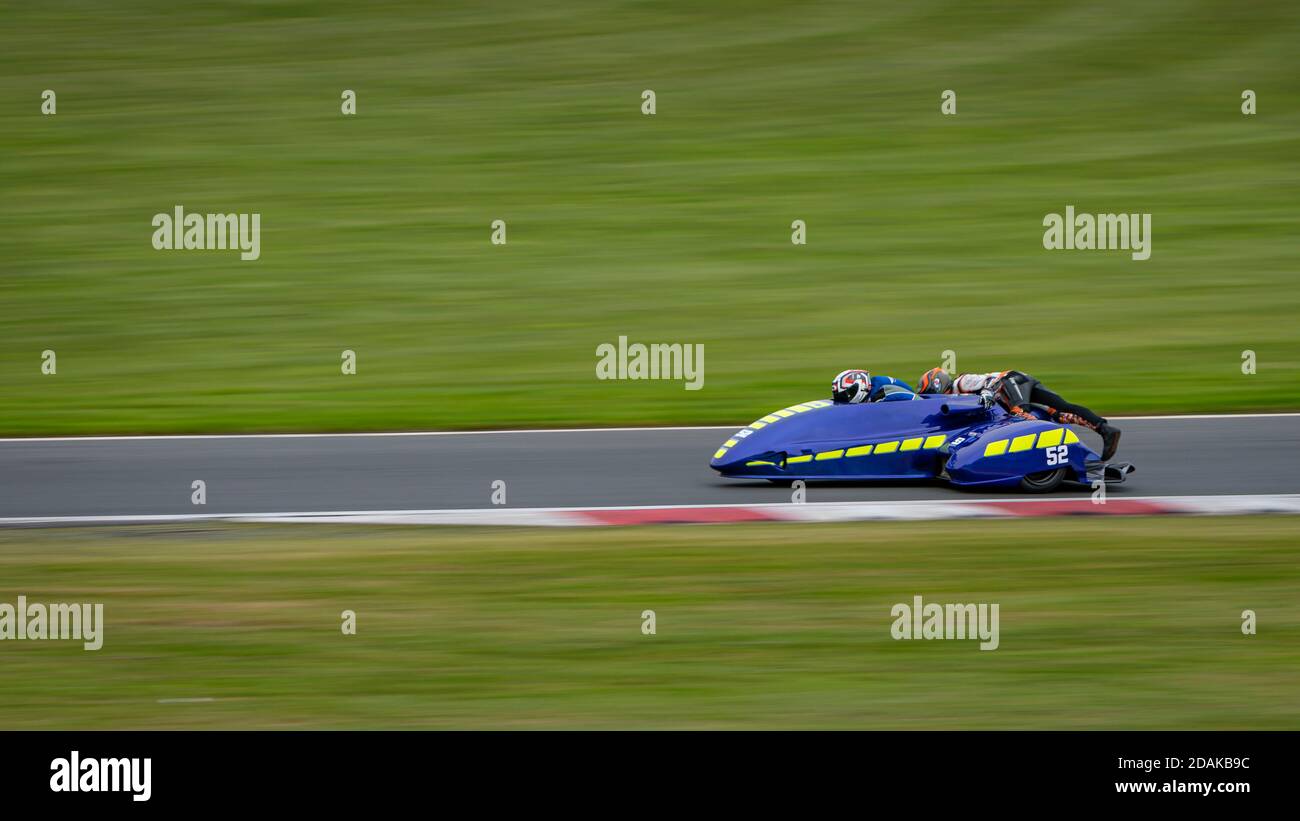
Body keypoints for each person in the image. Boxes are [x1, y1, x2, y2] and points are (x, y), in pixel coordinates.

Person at [917, 367, 1121, 460]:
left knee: (1019, 413)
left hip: (1011, 381)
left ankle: (1047, 442)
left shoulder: (960, 384)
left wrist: (987, 393)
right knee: (1061, 412)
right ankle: (1105, 429)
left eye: (931, 395)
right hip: (1022, 382)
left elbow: (990, 383)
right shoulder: (954, 396)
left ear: (939, 387)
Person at [831, 369, 917, 404]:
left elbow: (917, 400)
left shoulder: (884, 393)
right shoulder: (868, 395)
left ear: (862, 387)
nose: (842, 399)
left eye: (845, 395)